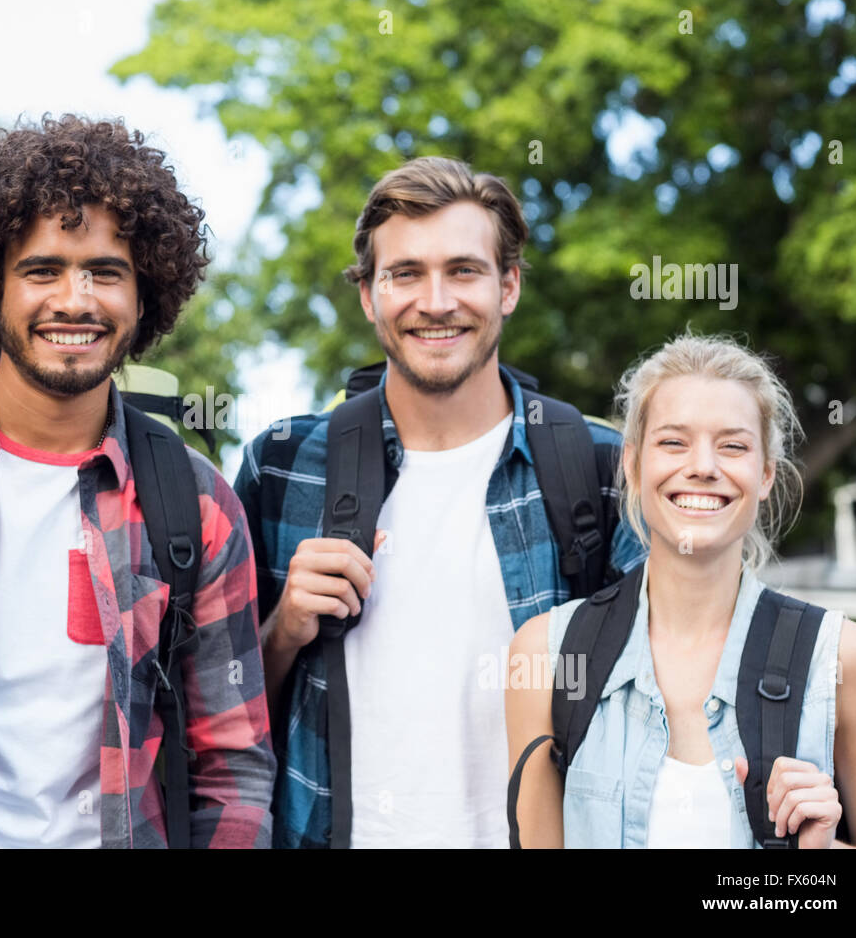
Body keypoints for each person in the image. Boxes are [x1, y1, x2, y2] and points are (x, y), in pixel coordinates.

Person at [233, 155, 646, 848]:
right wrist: (285, 629)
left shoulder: (602, 466)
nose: (435, 301)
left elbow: (672, 697)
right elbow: (215, 716)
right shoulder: (283, 463)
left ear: (508, 286)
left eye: (463, 270)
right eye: (405, 274)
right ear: (368, 295)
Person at [0, 115, 274, 848]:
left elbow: (233, 767)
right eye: (42, 270)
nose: (75, 299)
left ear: (144, 293)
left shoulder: (195, 506)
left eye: (105, 271)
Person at [505, 333, 856, 848]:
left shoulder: (843, 658)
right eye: (673, 442)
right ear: (633, 465)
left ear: (767, 474)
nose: (704, 467)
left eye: (733, 445)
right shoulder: (545, 654)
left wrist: (822, 856)